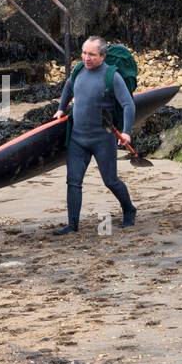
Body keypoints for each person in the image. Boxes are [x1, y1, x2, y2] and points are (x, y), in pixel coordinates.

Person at [52, 36, 137, 235]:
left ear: (102, 56)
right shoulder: (79, 70)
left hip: (102, 139)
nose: (86, 58)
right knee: (73, 181)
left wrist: (126, 132)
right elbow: (68, 86)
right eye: (84, 53)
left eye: (91, 54)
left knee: (110, 181)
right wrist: (61, 109)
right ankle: (72, 225)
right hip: (77, 138)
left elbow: (128, 105)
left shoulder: (111, 76)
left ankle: (129, 210)